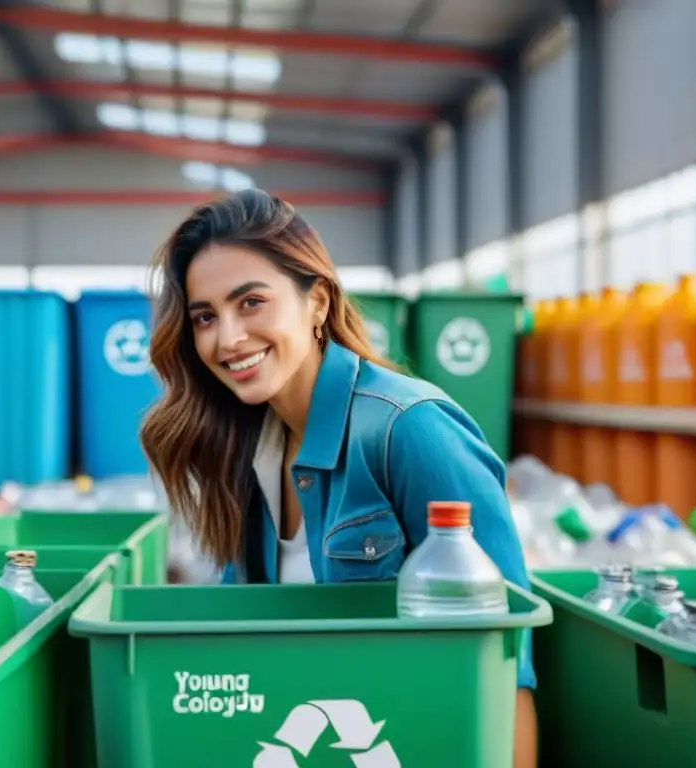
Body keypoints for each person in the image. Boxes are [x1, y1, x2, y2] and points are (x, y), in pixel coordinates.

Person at [140, 189, 537, 767]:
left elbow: (507, 663)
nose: (226, 339)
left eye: (250, 303)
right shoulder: (246, 450)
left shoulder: (410, 429)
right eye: (206, 317)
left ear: (317, 302)